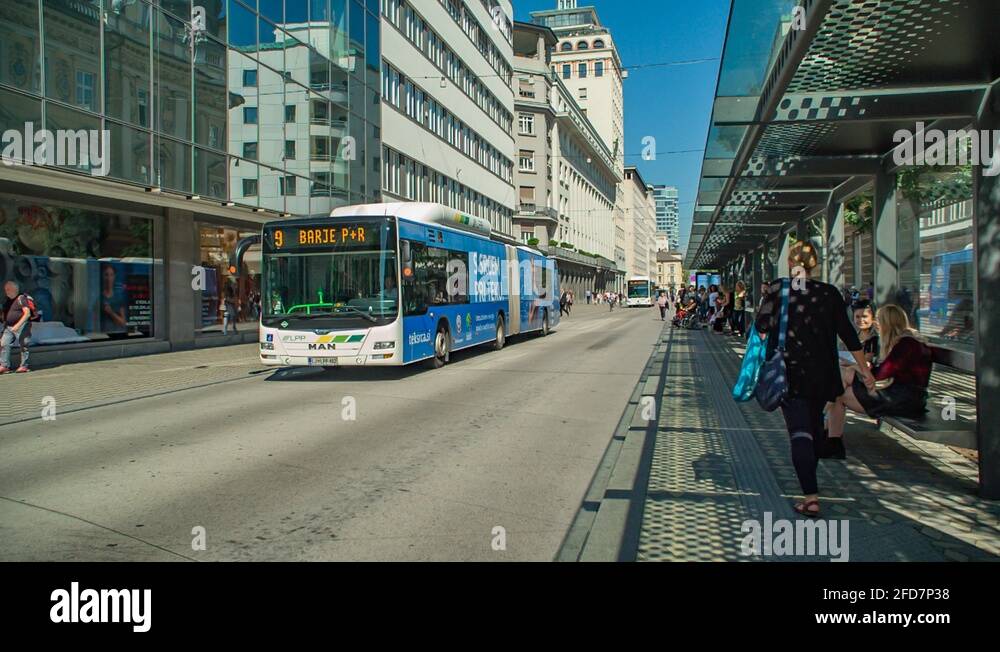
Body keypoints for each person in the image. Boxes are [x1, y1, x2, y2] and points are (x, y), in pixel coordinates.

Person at [755, 241, 874, 518]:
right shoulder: (829, 293)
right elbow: (848, 333)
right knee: (812, 427)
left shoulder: (778, 289)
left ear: (790, 263)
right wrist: (864, 369)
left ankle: (810, 497)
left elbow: (760, 327)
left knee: (800, 432)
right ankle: (812, 480)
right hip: (823, 375)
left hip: (790, 373)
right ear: (815, 264)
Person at [827, 305, 931, 454]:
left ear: (888, 323)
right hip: (905, 396)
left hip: (902, 399)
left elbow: (880, 374)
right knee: (841, 387)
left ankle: (825, 430)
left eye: (879, 322)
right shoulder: (908, 341)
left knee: (842, 385)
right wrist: (859, 367)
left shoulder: (906, 344)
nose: (877, 326)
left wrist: (857, 367)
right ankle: (829, 436)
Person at [1, 280, 33, 373]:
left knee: (24, 345)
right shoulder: (7, 300)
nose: (6, 291)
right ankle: (4, 366)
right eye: (5, 289)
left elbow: (27, 313)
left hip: (22, 325)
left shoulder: (21, 298)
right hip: (9, 327)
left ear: (14, 289)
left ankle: (24, 366)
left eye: (8, 289)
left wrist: (18, 325)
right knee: (4, 344)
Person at [100, 263, 128, 336]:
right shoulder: (99, 298)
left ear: (114, 277)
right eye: (106, 275)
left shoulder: (119, 298)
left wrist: (111, 313)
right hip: (103, 337)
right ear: (103, 276)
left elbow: (123, 322)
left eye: (111, 275)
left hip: (119, 336)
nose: (109, 278)